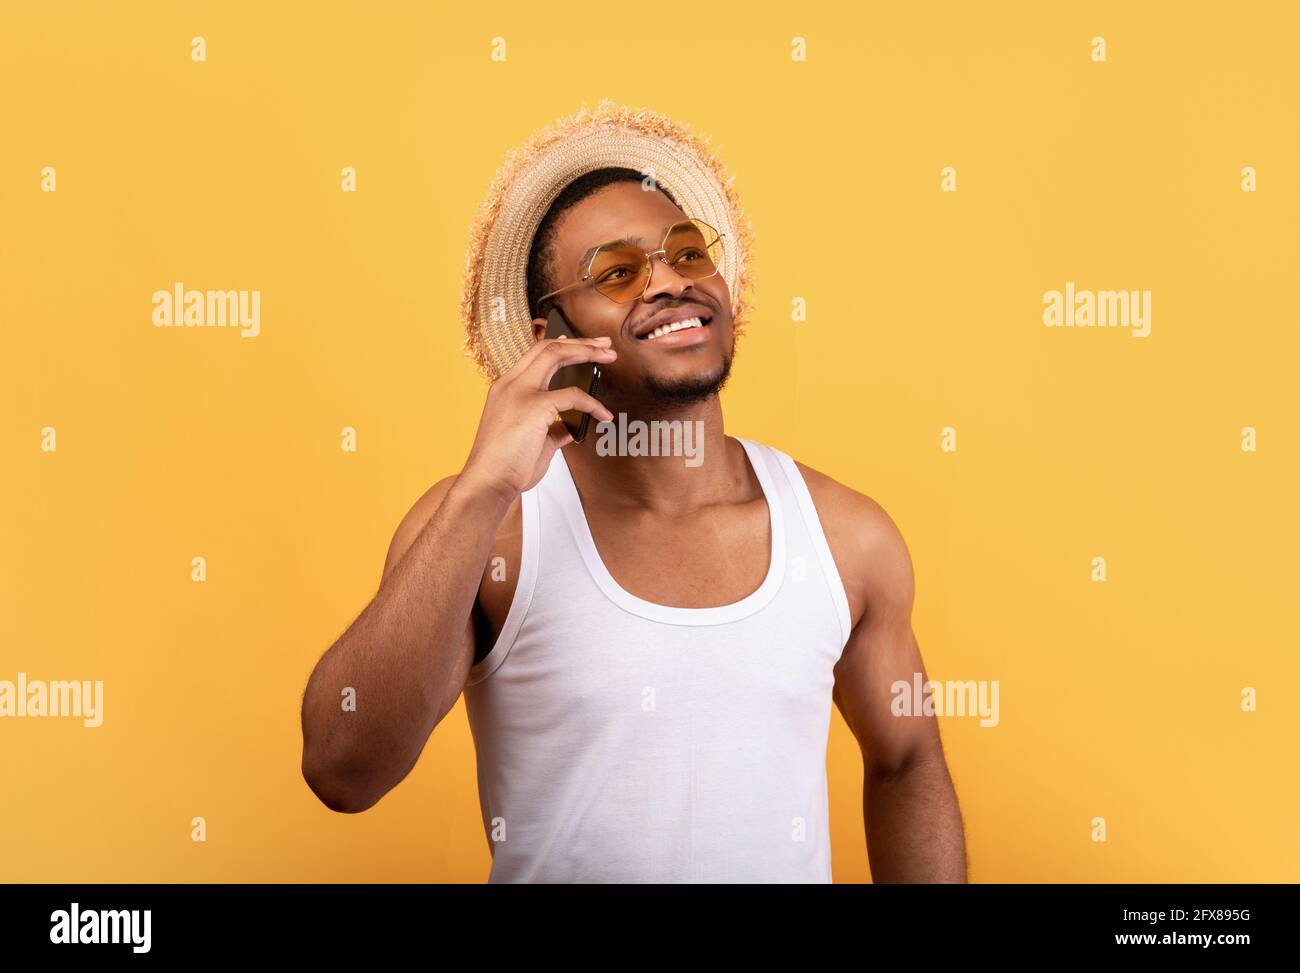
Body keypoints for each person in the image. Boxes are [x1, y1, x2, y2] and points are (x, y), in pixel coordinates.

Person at [300, 100, 967, 883]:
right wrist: (483, 487)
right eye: (617, 273)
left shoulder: (847, 538)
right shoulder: (498, 532)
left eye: (688, 254)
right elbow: (343, 768)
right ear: (552, 338)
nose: (670, 284)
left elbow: (907, 758)